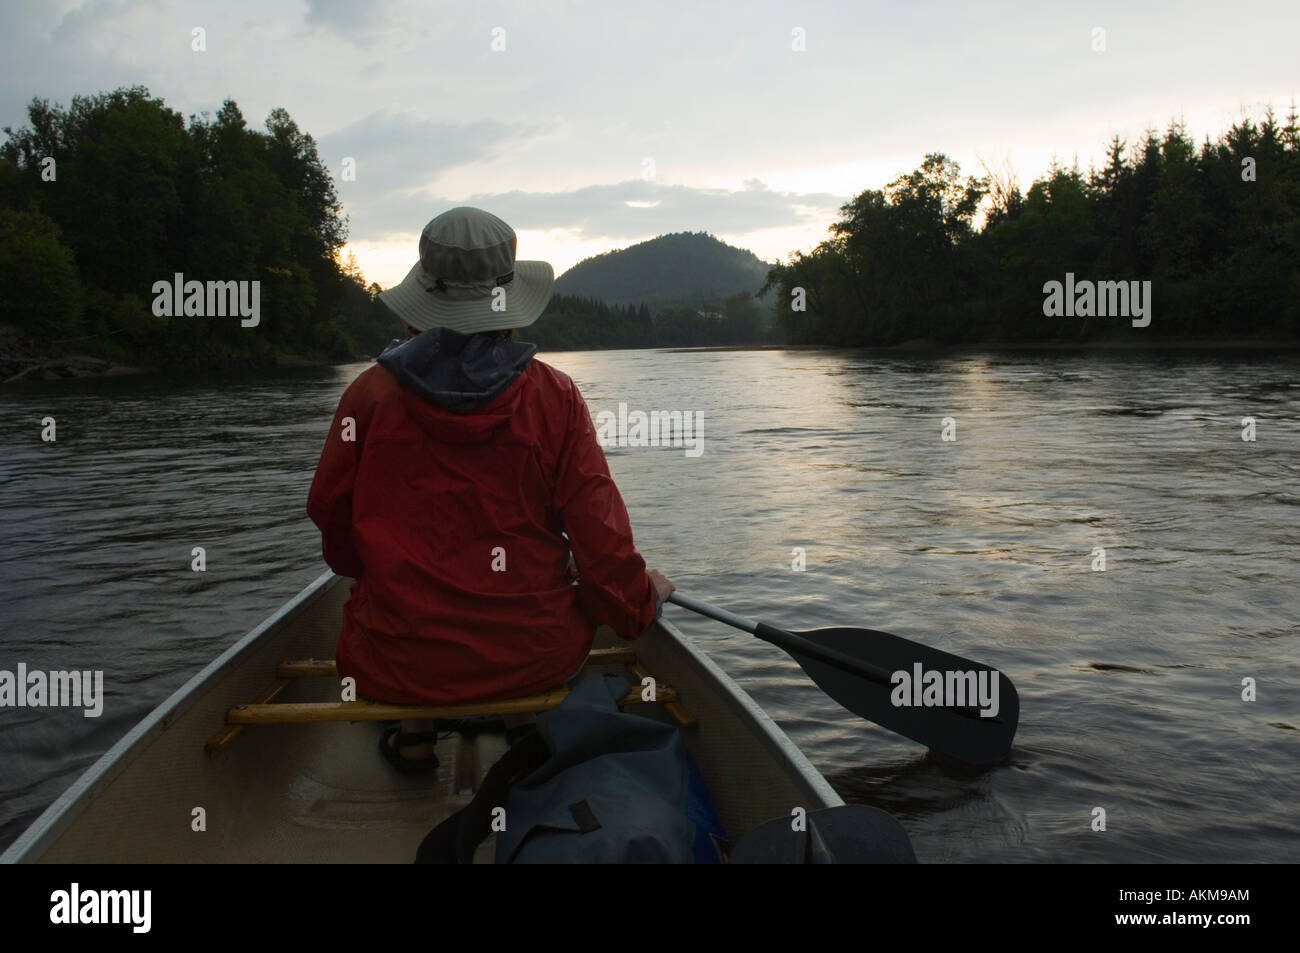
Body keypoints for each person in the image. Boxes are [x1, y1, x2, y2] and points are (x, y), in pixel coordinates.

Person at [307, 207, 673, 772]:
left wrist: (380, 576)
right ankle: (523, 725)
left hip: (395, 656)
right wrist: (639, 601)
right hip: (536, 653)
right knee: (523, 613)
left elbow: (334, 526)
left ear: (423, 301)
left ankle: (414, 738)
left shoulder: (367, 398)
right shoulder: (555, 396)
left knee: (407, 607)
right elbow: (602, 544)